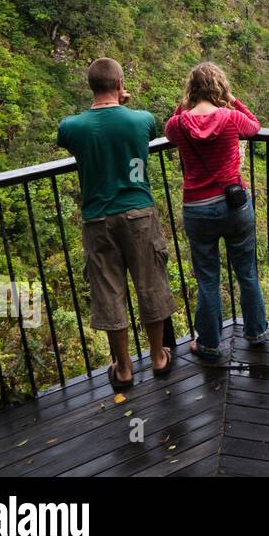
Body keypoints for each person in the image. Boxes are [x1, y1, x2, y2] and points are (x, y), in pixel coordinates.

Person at [57, 58, 176, 390]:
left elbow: (68, 133)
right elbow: (145, 131)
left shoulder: (72, 127)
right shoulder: (141, 120)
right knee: (149, 283)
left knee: (109, 291)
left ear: (91, 86)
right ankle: (157, 357)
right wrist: (122, 103)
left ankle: (123, 369)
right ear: (120, 84)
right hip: (138, 213)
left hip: (97, 219)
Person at [164, 62, 267, 360]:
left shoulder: (179, 124)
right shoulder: (231, 117)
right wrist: (233, 100)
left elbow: (170, 130)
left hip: (197, 209)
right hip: (233, 205)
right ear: (219, 87)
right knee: (246, 271)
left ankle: (209, 344)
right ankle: (256, 332)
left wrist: (183, 106)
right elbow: (254, 125)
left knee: (208, 278)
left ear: (191, 91)